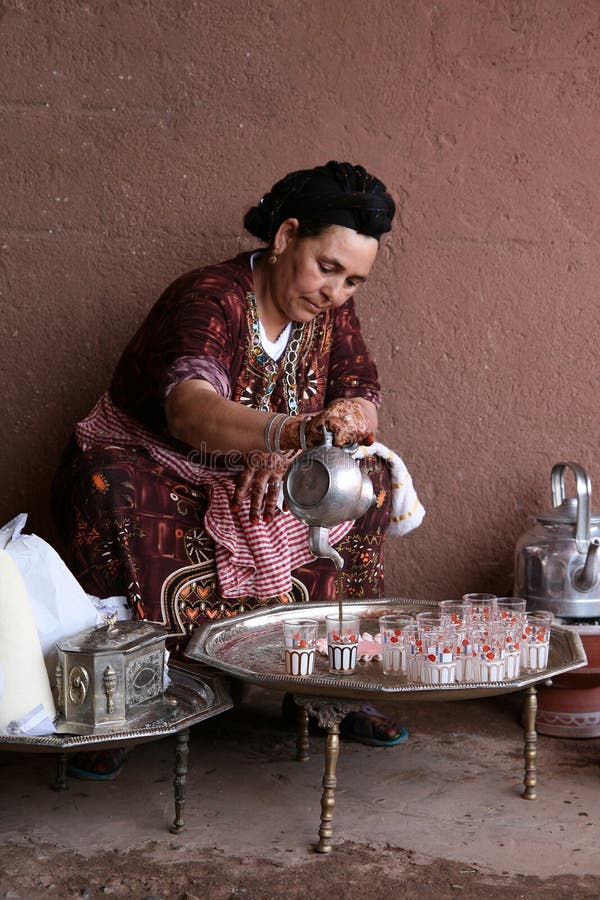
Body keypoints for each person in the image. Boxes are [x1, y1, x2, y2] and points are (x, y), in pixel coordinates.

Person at [52, 161, 418, 773]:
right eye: (327, 268)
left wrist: (352, 415)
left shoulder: (329, 313)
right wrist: (289, 432)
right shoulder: (211, 296)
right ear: (284, 237)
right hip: (164, 468)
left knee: (368, 487)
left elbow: (360, 385)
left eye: (353, 281)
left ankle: (329, 684)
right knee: (109, 486)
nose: (334, 292)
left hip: (263, 478)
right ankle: (117, 701)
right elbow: (188, 410)